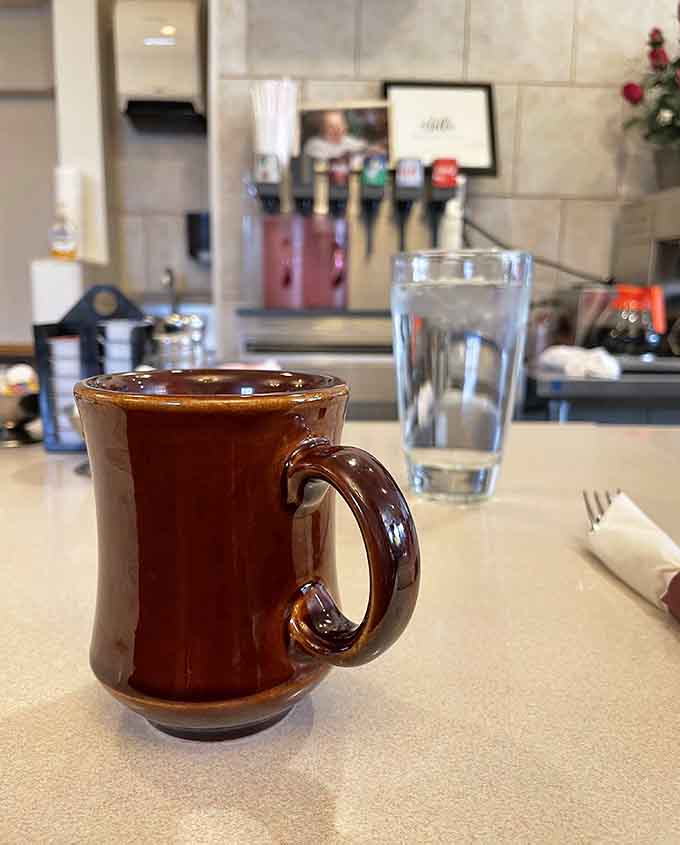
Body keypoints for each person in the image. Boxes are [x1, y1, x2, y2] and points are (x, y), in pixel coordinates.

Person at [303, 110, 369, 161]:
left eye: (340, 126)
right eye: (331, 127)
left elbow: (364, 147)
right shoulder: (314, 144)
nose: (337, 130)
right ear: (322, 129)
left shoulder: (348, 140)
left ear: (345, 127)